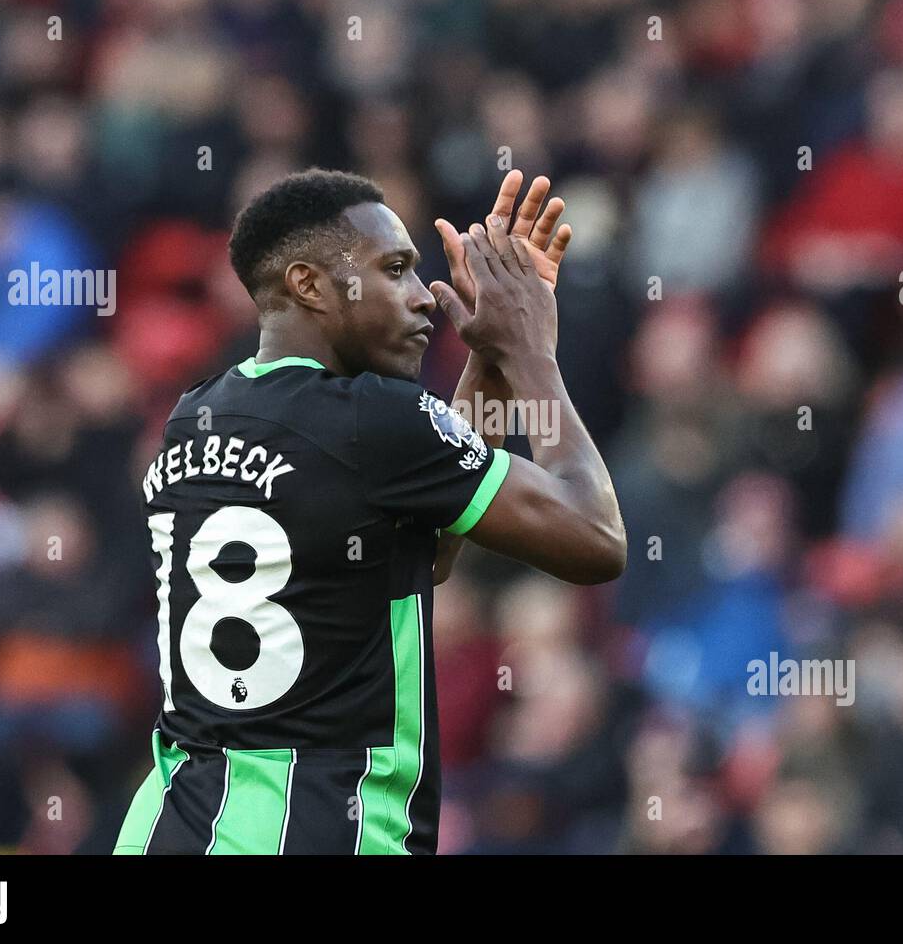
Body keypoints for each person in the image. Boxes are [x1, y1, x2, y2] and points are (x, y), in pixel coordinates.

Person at [113, 168, 625, 854]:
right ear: (308, 285)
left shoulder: (195, 415)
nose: (424, 296)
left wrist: (487, 359)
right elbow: (595, 537)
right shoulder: (372, 419)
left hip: (168, 827)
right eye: (394, 270)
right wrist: (529, 350)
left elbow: (424, 547)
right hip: (313, 832)